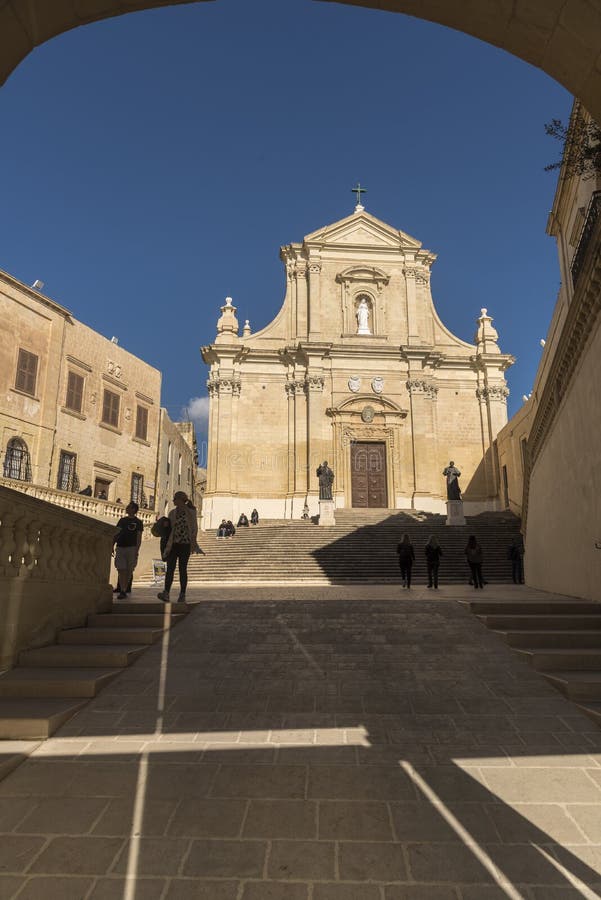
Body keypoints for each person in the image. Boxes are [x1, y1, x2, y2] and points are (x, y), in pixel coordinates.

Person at [158, 492, 204, 604]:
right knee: (170, 569)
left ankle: (182, 594)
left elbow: (194, 529)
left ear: (180, 499)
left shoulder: (191, 513)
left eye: (175, 499)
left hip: (185, 545)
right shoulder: (172, 513)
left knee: (182, 569)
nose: (173, 501)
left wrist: (194, 544)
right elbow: (169, 530)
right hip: (173, 545)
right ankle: (166, 593)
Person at [113, 502, 144, 599]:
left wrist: (137, 550)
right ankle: (123, 590)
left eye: (129, 507)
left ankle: (124, 589)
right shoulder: (122, 520)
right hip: (120, 546)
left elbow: (139, 537)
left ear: (133, 509)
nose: (126, 508)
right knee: (121, 569)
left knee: (129, 570)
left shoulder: (138, 522)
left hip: (132, 547)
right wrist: (112, 545)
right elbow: (116, 533)